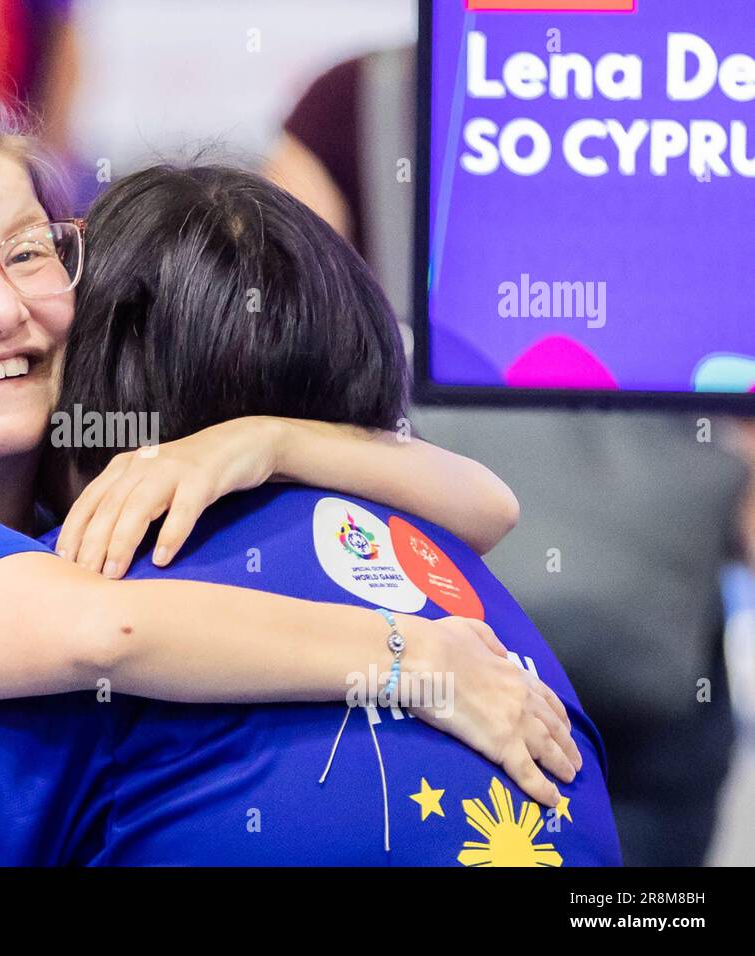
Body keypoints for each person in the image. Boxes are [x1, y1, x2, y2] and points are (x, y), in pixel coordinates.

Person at [0, 91, 576, 866]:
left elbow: (486, 507)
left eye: (25, 253)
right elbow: (106, 630)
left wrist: (264, 442)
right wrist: (413, 659)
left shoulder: (80, 524)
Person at [45, 164, 620, 865]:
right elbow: (496, 505)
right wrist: (272, 439)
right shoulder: (455, 562)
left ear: (87, 372)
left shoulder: (60, 598)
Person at [269, 47, 749, 866]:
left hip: (427, 658)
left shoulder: (360, 100)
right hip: (650, 664)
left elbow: (275, 360)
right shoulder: (708, 95)